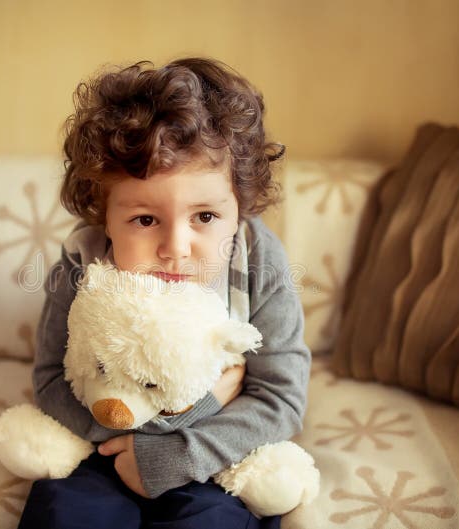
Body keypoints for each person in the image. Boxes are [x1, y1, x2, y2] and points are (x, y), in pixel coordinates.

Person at [17, 57, 311, 529]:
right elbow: (51, 381)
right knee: (68, 514)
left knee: (212, 522)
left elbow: (281, 398)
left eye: (205, 217)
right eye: (145, 219)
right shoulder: (83, 257)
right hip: (102, 446)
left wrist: (173, 454)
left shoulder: (258, 258)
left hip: (212, 453)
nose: (175, 248)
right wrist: (152, 432)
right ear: (104, 216)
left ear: (240, 208)